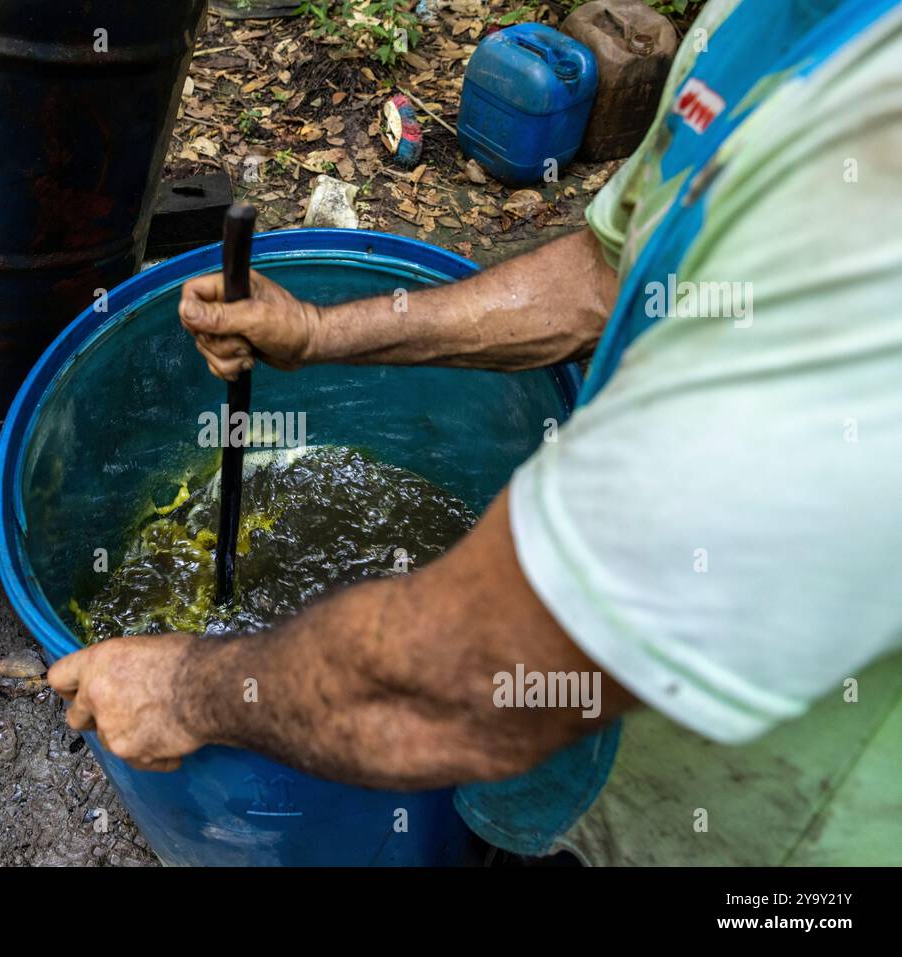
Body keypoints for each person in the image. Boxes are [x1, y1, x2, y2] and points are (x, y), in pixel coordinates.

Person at [49, 0, 902, 864]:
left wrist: (188, 690)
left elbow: (481, 678)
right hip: (589, 764)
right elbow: (608, 277)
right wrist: (318, 333)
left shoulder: (872, 185)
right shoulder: (755, 20)